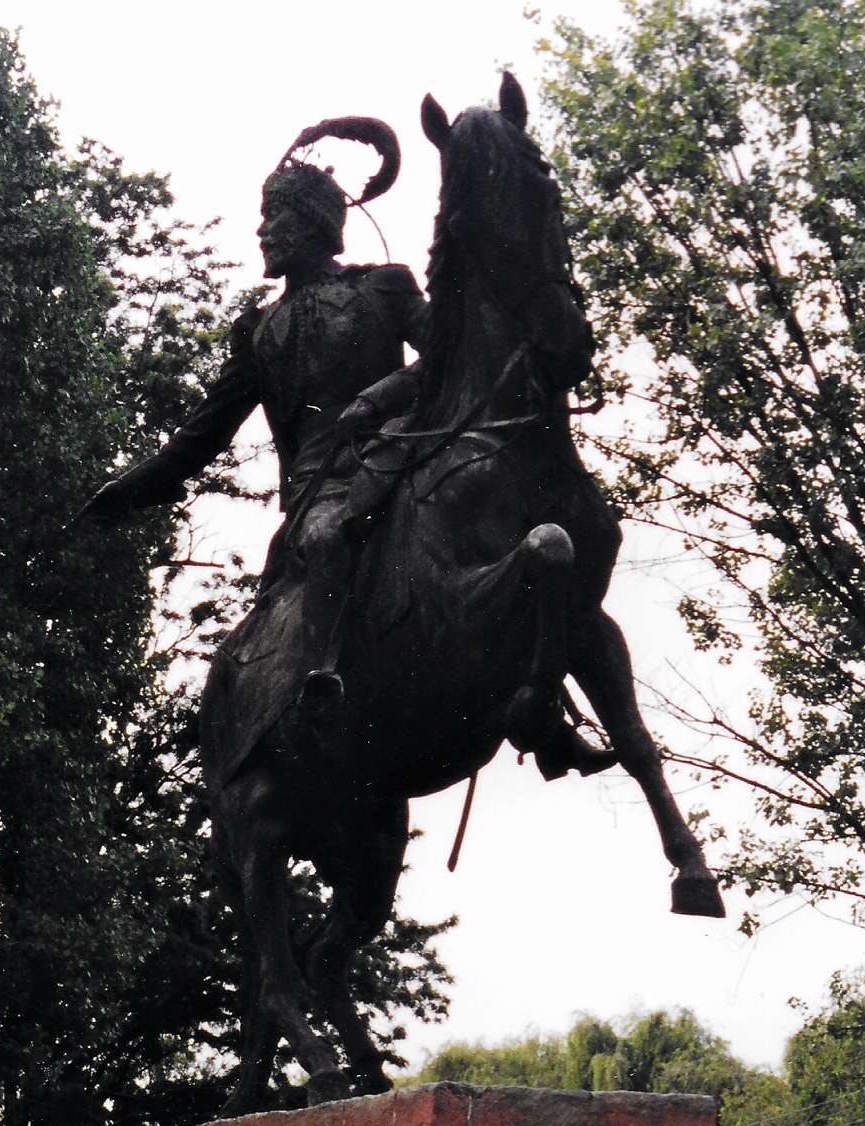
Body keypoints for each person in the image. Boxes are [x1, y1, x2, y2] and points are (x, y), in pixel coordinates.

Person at [81, 117, 609, 783]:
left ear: (308, 224)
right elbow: (203, 433)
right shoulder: (258, 331)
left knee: (491, 531)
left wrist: (380, 399)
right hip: (319, 489)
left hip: (403, 459)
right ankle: (322, 673)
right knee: (331, 535)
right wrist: (130, 487)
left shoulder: (383, 287)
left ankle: (546, 703)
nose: (262, 232)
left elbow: (445, 361)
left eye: (274, 217)